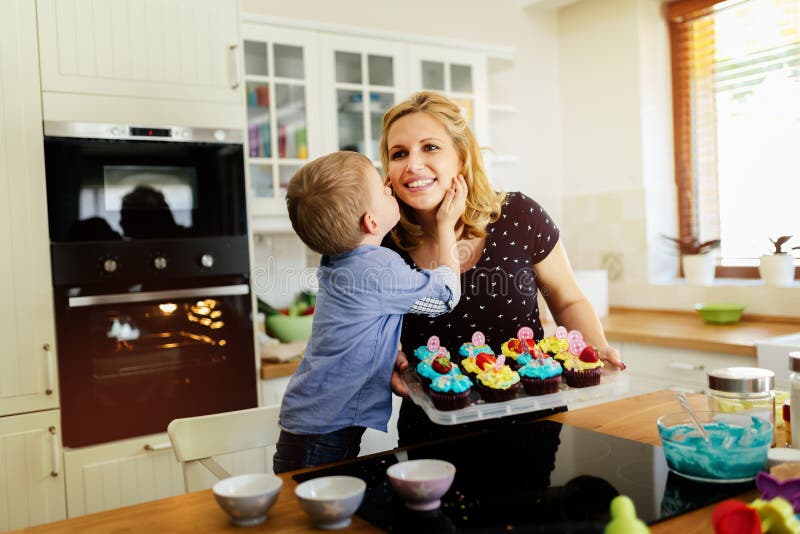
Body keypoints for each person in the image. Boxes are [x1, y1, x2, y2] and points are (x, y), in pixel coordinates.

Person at [379, 91, 625, 446]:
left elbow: (568, 300)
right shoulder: (385, 243)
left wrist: (596, 347)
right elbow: (373, 330)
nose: (412, 164)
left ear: (462, 156)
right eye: (398, 153)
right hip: (431, 432)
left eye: (430, 147)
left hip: (531, 425)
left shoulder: (519, 215)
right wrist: (389, 357)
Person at [273, 150, 467, 473]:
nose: (390, 187)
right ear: (371, 222)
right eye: (382, 188)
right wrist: (446, 225)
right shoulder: (378, 270)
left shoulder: (337, 260)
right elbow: (447, 295)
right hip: (324, 437)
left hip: (309, 428)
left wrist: (386, 352)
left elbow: (357, 327)